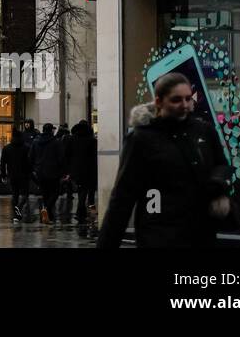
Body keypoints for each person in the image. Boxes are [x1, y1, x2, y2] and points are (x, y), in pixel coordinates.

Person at [98, 72, 232, 248]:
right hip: (160, 235)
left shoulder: (204, 130)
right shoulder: (141, 139)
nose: (184, 105)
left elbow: (222, 164)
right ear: (159, 102)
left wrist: (218, 184)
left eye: (188, 98)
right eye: (176, 100)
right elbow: (122, 197)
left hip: (201, 232)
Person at [30, 124, 64, 224]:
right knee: (55, 192)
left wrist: (34, 168)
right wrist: (63, 171)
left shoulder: (36, 142)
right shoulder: (56, 142)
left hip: (40, 171)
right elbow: (61, 158)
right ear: (51, 131)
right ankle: (47, 209)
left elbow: (31, 156)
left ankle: (49, 215)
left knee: (45, 194)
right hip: (53, 172)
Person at [69, 120, 98, 236]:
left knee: (82, 191)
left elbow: (68, 155)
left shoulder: (73, 140)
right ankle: (82, 213)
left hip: (77, 171)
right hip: (90, 171)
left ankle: (80, 213)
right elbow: (95, 157)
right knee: (87, 193)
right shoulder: (92, 141)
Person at [1, 128, 32, 222]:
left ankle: (16, 215)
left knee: (15, 195)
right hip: (24, 175)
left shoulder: (7, 148)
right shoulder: (26, 147)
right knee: (25, 194)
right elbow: (30, 162)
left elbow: (3, 163)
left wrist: (3, 175)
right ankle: (19, 207)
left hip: (12, 175)